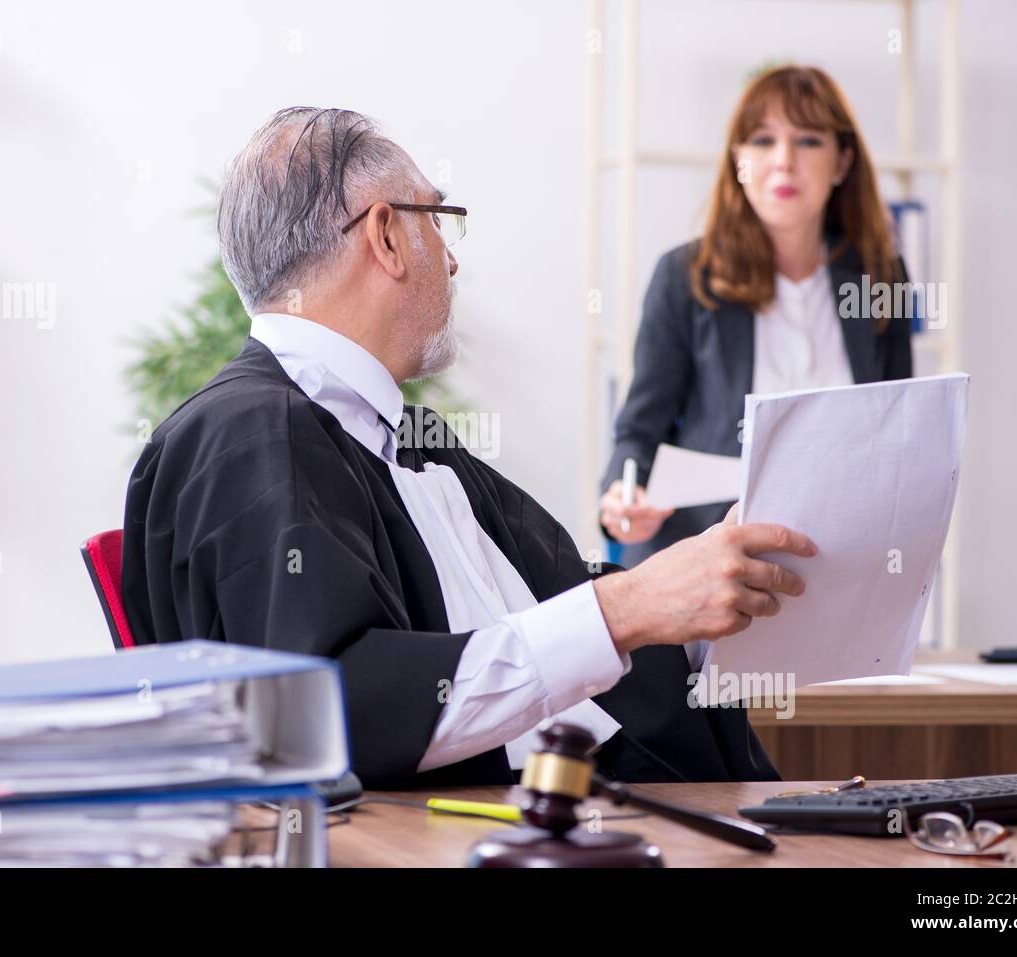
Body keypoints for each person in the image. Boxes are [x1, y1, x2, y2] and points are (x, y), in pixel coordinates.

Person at [121, 107, 816, 789]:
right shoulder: (249, 432)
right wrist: (632, 607)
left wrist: (708, 589)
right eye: (438, 220)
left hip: (614, 800)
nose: (451, 261)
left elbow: (560, 602)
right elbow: (332, 708)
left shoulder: (406, 436)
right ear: (386, 236)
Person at [601, 65, 913, 569]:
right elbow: (639, 431)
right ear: (739, 161)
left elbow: (903, 426)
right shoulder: (685, 275)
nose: (784, 162)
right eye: (763, 140)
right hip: (708, 549)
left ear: (842, 162)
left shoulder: (881, 276)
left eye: (809, 140)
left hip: (842, 549)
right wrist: (624, 492)